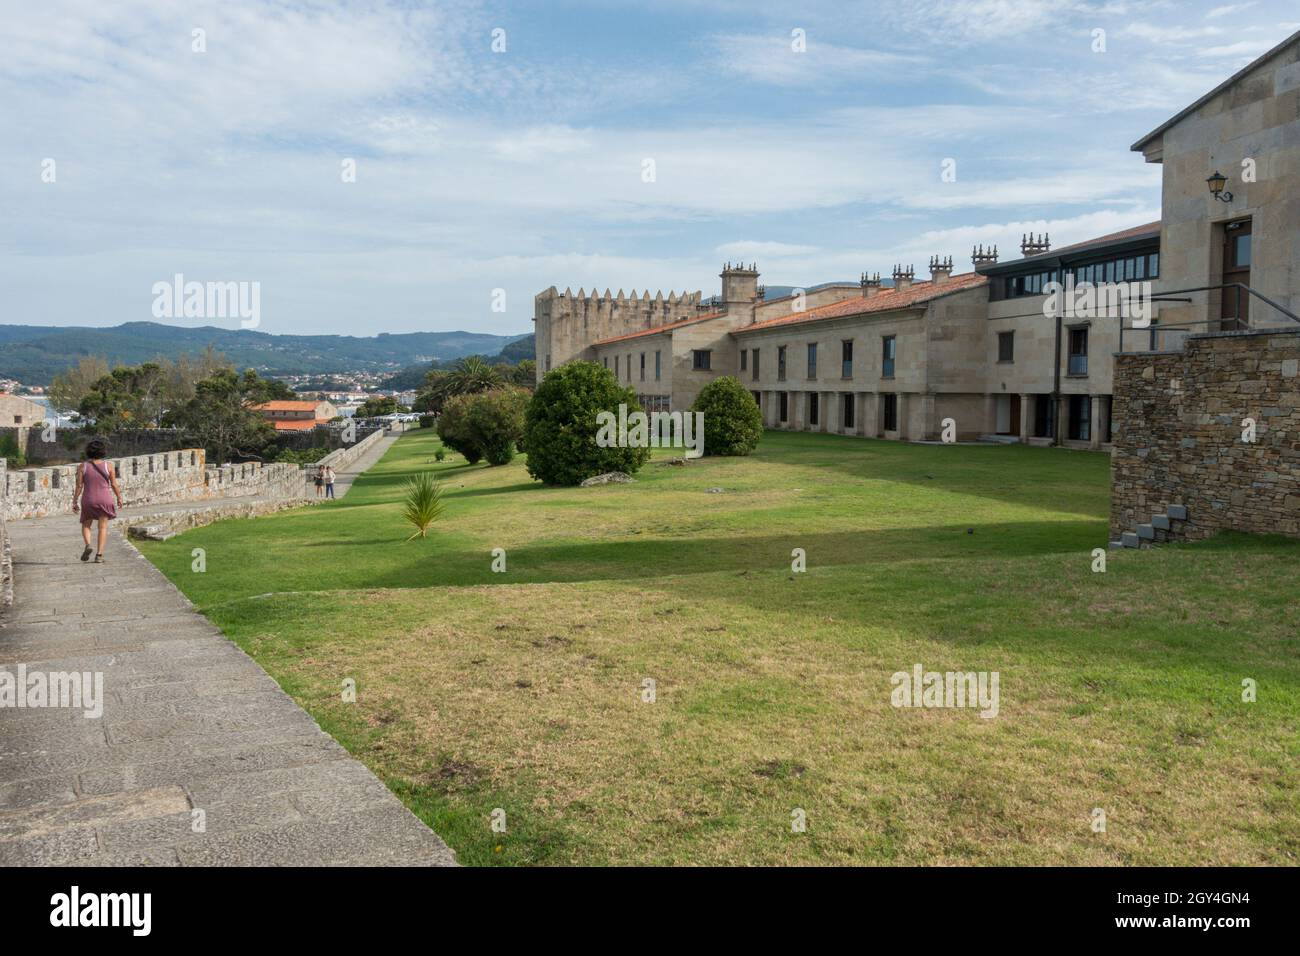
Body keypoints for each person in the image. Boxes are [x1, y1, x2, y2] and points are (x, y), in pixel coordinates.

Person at [71, 438, 124, 564]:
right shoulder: (109, 466)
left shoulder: (83, 466)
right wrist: (119, 497)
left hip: (88, 499)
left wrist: (74, 501)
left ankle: (88, 544)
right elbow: (114, 485)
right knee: (103, 527)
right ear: (103, 452)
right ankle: (99, 555)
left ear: (88, 452)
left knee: (86, 524)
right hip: (105, 499)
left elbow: (79, 486)